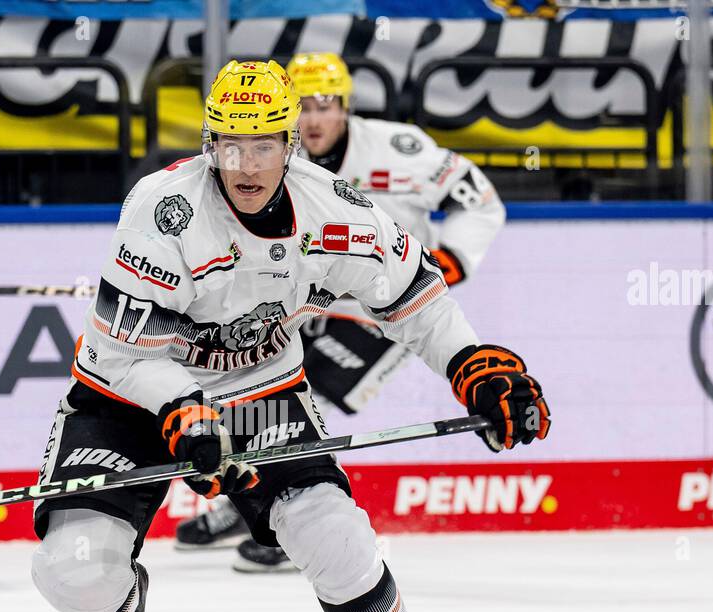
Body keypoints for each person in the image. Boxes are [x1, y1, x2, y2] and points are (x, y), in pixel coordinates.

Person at [28, 60, 549, 612]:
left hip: (257, 390)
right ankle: (119, 602)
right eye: (230, 146)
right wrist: (181, 409)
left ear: (289, 143)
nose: (246, 165)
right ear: (210, 143)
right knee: (73, 569)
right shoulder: (161, 209)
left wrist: (472, 365)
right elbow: (122, 353)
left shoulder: (336, 210)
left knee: (333, 534)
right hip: (129, 395)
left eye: (263, 145)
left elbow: (416, 297)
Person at [176, 52, 507, 573]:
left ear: (346, 106)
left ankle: (292, 516)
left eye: (325, 105)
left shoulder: (401, 150)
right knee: (250, 378)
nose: (313, 119)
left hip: (385, 305)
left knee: (312, 384)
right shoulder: (270, 159)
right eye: (302, 106)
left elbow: (481, 200)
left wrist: (452, 259)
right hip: (309, 301)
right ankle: (250, 501)